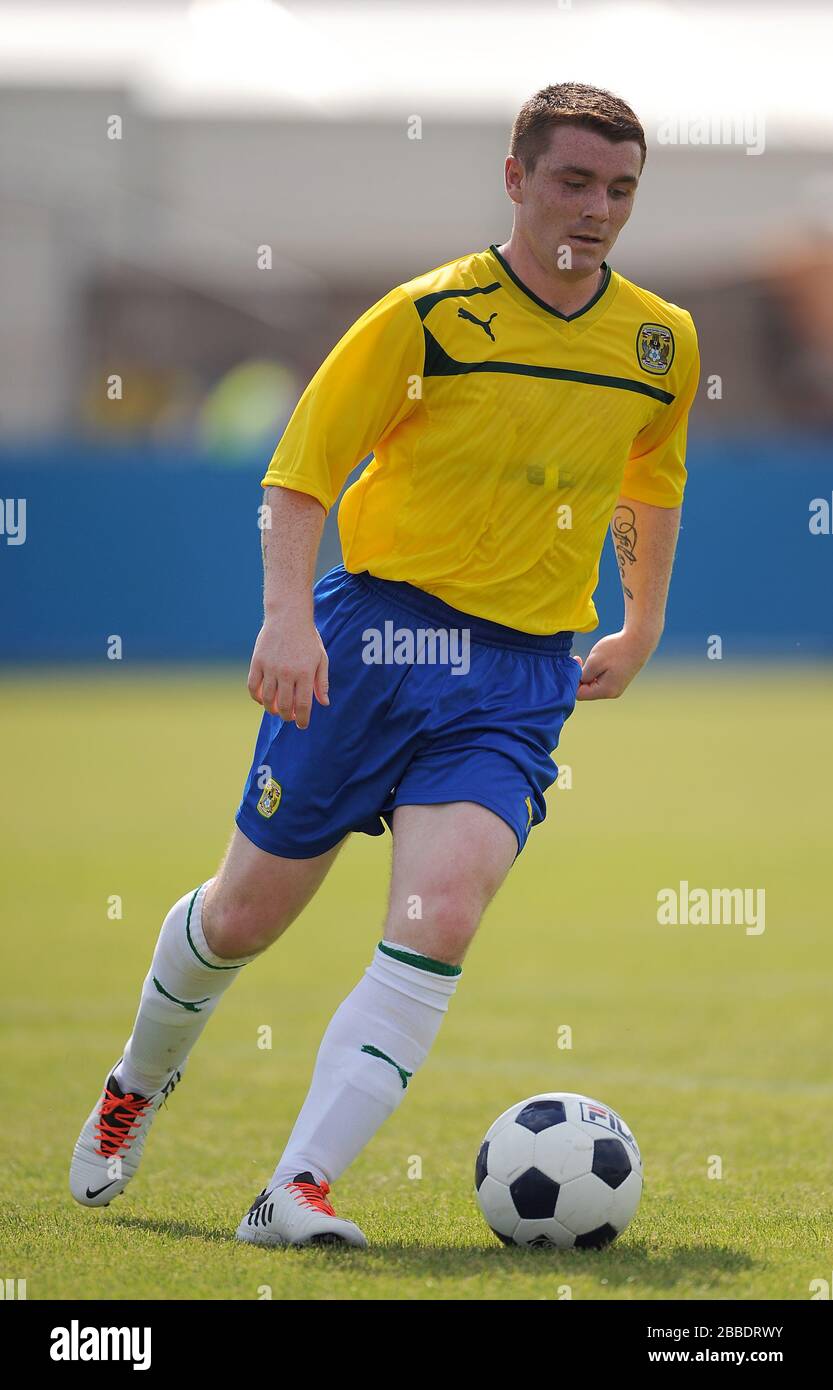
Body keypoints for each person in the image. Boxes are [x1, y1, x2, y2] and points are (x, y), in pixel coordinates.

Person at [70, 82, 700, 1248]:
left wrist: (642, 618)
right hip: (370, 644)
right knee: (246, 915)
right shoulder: (424, 317)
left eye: (618, 189)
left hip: (517, 677)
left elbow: (649, 479)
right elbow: (300, 470)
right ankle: (132, 1085)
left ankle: (294, 1188)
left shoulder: (659, 341)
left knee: (442, 909)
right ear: (514, 179)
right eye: (572, 180)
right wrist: (285, 621)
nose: (596, 209)